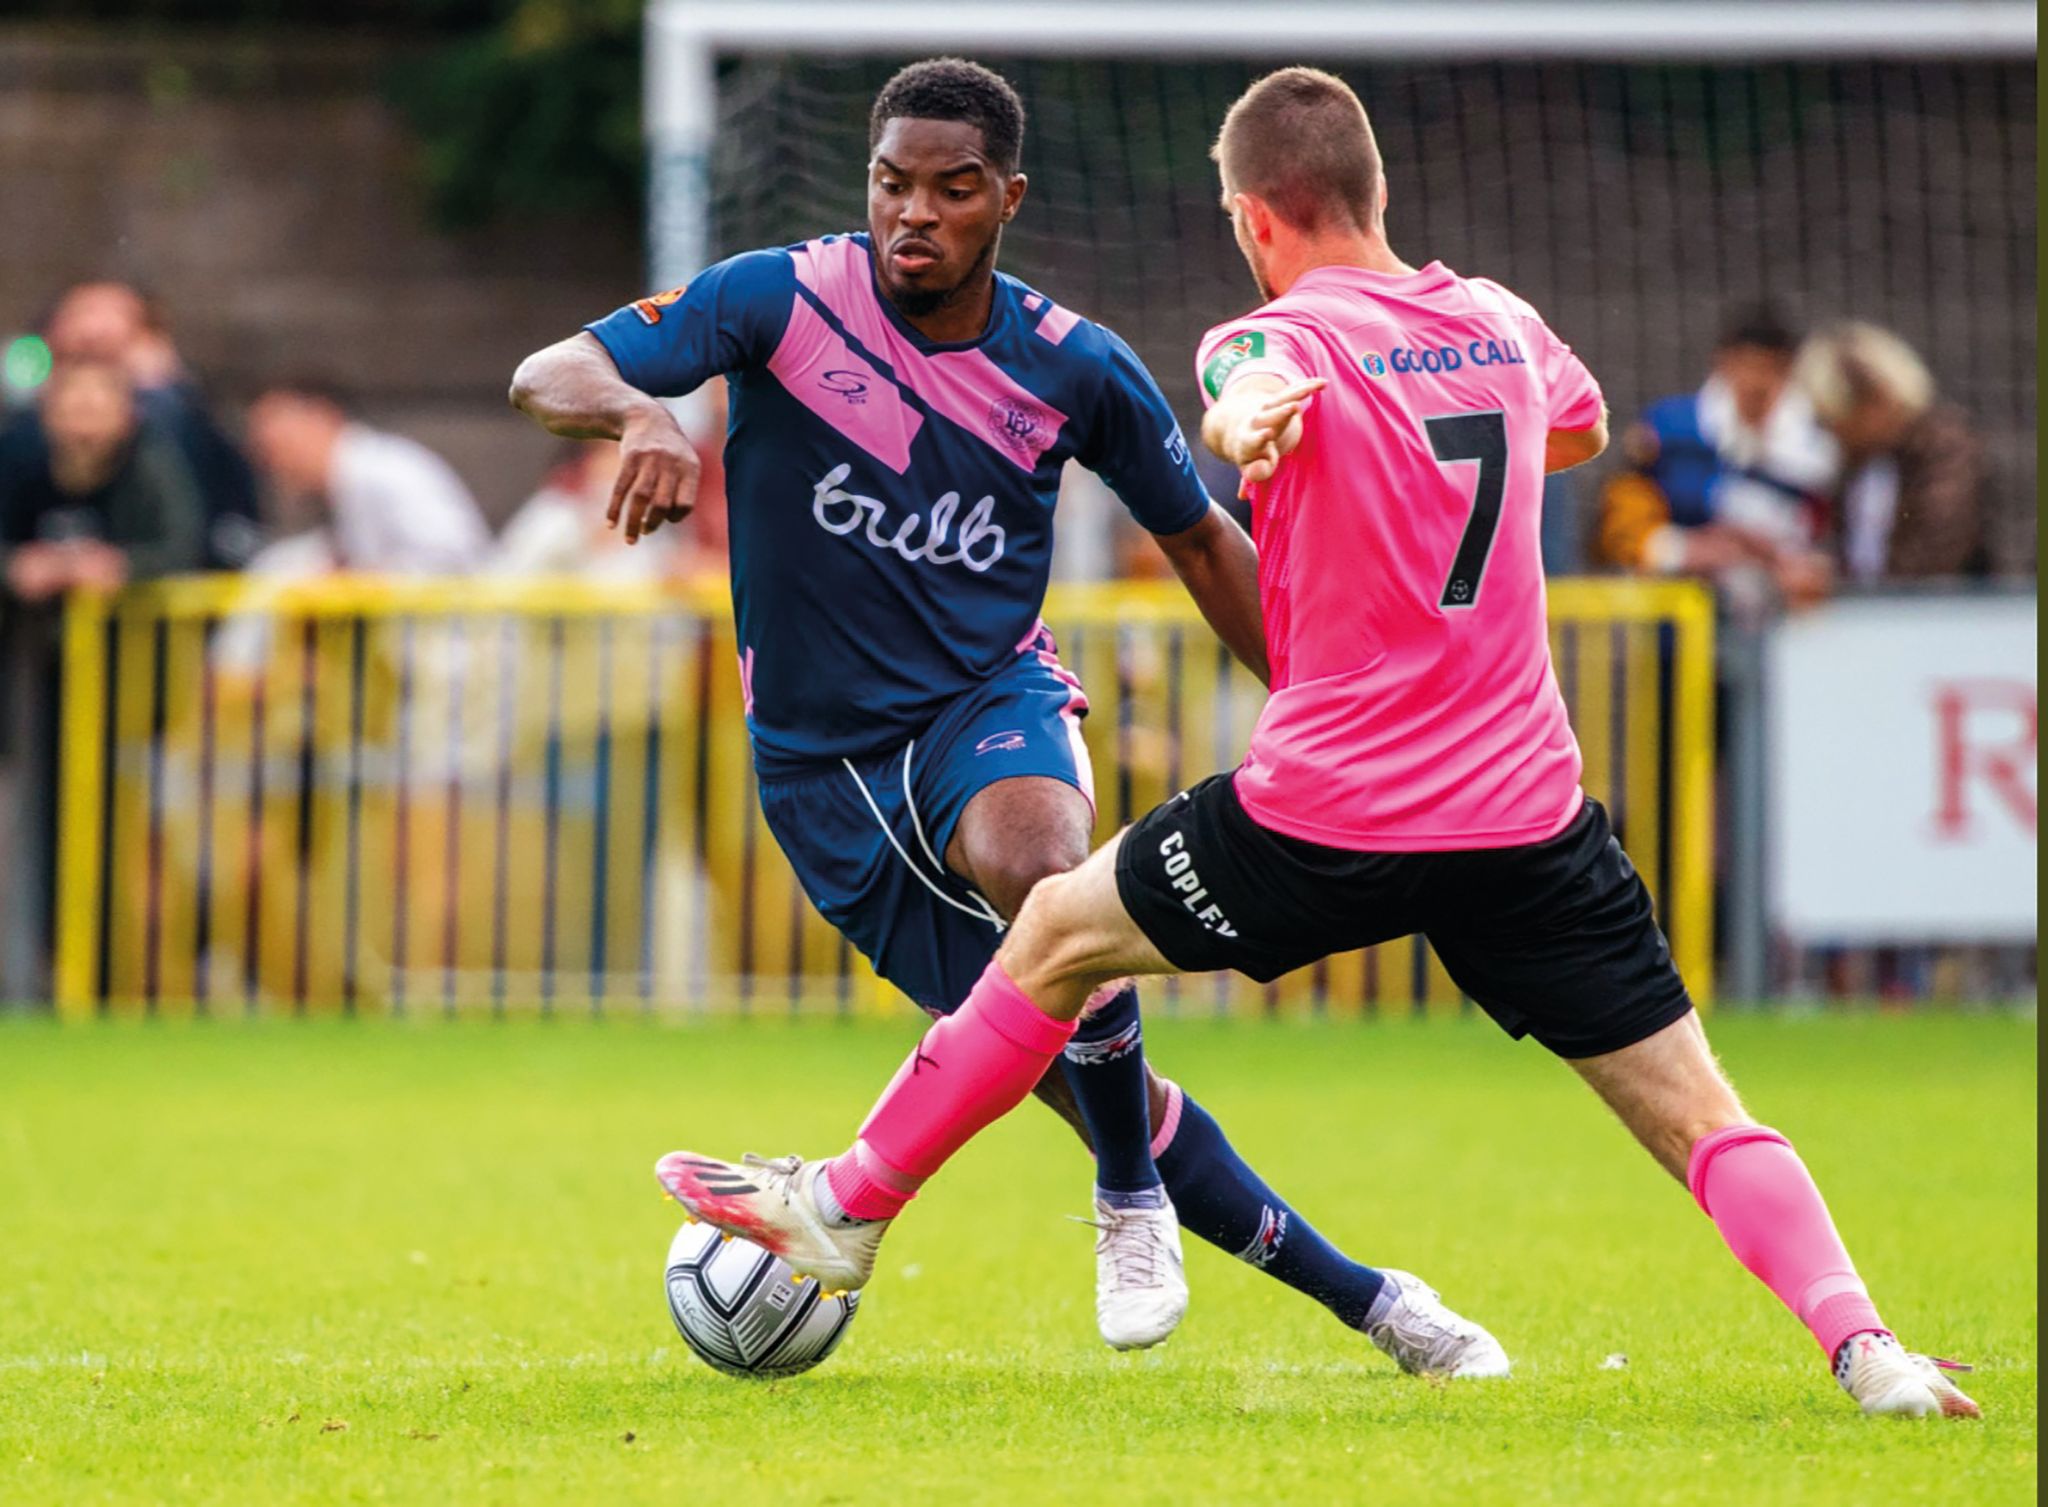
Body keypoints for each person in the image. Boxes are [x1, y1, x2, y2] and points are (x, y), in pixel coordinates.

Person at [654, 68, 1980, 1421]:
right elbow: (1575, 425)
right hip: (1523, 817)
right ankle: (1868, 1347)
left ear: (1250, 218)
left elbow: (1243, 401)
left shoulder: (1264, 338)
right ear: (1378, 191)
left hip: (1327, 811)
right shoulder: (1503, 322)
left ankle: (847, 1205)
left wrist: (1249, 424)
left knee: (1051, 934)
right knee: (1702, 1115)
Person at [512, 57, 1504, 1373]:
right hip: (825, 776)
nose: (912, 213)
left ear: (1009, 198)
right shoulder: (776, 298)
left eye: (952, 188)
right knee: (1089, 1083)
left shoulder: (1073, 365)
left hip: (992, 699)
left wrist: (1337, 707)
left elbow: (1203, 541)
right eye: (891, 183)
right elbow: (551, 368)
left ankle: (1129, 1203)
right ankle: (1375, 1299)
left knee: (1043, 867)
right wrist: (641, 410)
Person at [1594, 305, 1836, 613]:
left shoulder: (1821, 445)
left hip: (1788, 615)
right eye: (1746, 367)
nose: (1756, 383)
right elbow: (1619, 530)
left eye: (1770, 369)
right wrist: (1682, 549)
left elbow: (1836, 542)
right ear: (1723, 363)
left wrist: (1803, 566)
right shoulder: (1671, 433)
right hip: (1683, 612)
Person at [28, 279, 263, 568]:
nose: (92, 329)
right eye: (79, 313)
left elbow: (189, 533)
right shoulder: (24, 435)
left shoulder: (178, 418)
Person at [1790, 322, 1990, 582]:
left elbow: (1937, 551)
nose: (1834, 436)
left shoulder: (1945, 449)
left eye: (1834, 421)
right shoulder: (1857, 463)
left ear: (1874, 399)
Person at [1, 357, 207, 599]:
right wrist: (15, 566)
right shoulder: (18, 461)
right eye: (72, 414)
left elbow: (184, 545)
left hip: (130, 616)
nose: (83, 433)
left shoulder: (152, 465)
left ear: (126, 417)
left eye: (94, 414)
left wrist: (124, 565)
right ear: (47, 416)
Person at [243, 379, 489, 574]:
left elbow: (454, 558)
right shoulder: (344, 484)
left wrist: (356, 581)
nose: (273, 462)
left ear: (322, 416)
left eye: (280, 444)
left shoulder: (383, 470)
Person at [491, 439, 679, 580]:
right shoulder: (555, 511)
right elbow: (511, 575)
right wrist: (583, 541)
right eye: (612, 454)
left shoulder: (651, 521)